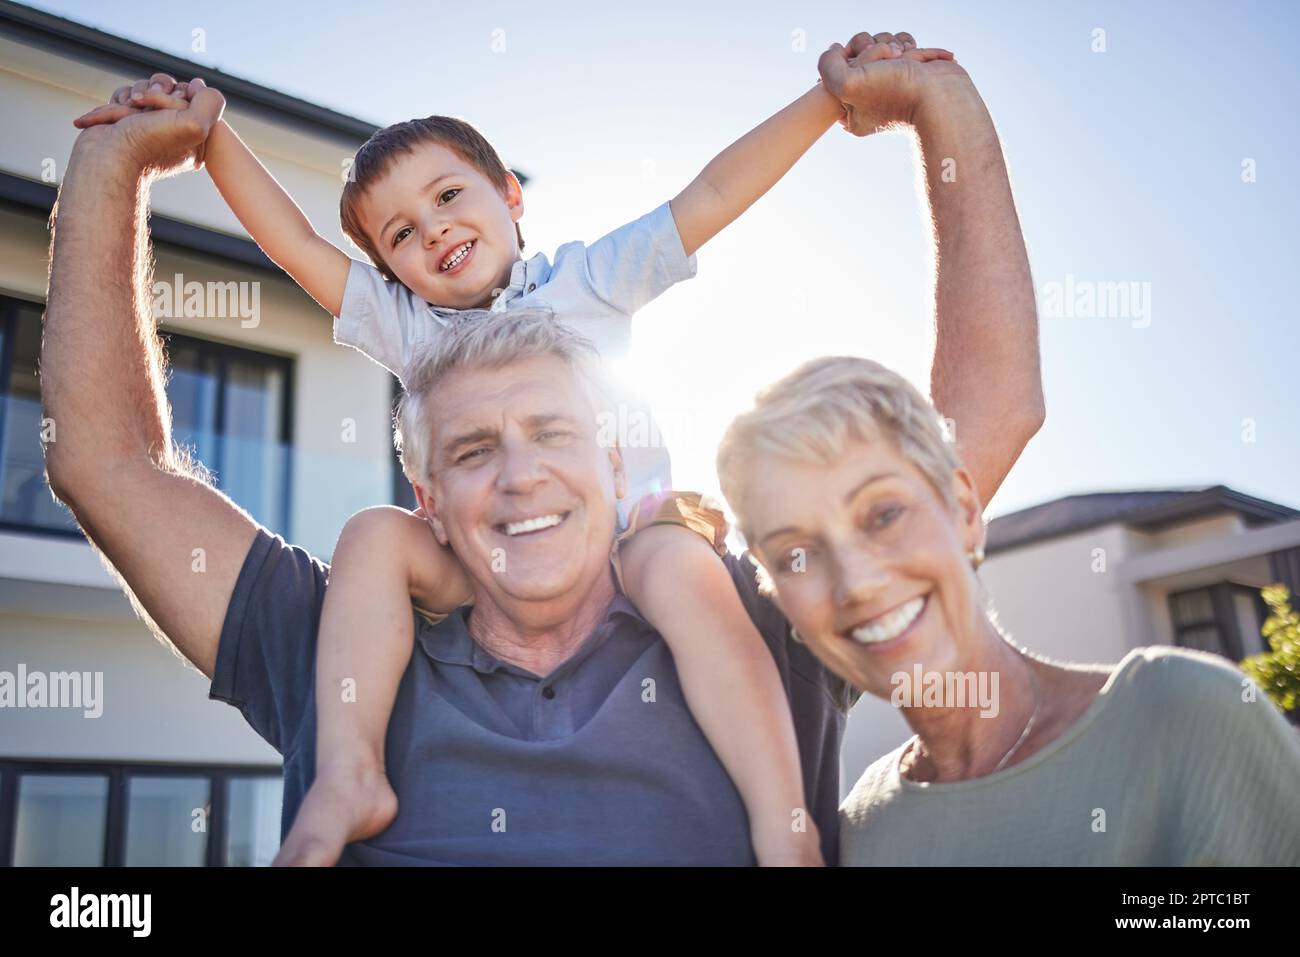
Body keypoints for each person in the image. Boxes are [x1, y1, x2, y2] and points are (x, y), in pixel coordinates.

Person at [44, 29, 1041, 864]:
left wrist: (858, 104)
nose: (521, 474)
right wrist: (176, 146)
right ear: (426, 484)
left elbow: (716, 193)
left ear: (508, 196)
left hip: (651, 538)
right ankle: (349, 773)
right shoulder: (360, 604)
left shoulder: (590, 287)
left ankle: (782, 827)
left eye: (449, 199)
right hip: (426, 604)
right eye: (472, 449)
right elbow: (271, 274)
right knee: (367, 540)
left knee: (678, 572)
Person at [715, 354, 1300, 865]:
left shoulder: (1185, 717)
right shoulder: (859, 833)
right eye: (798, 555)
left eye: (884, 514)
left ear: (965, 511)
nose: (857, 583)